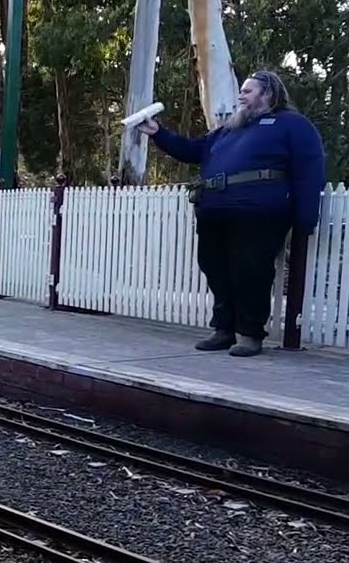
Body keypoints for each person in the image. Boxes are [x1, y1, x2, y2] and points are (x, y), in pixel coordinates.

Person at [137, 70, 326, 357]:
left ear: (268, 94)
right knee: (214, 267)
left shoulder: (292, 125)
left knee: (251, 271)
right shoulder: (229, 129)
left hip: (258, 212)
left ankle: (250, 334)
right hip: (215, 209)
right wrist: (158, 133)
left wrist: (305, 218)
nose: (241, 95)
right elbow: (192, 150)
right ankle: (223, 329)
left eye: (248, 90)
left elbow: (309, 170)